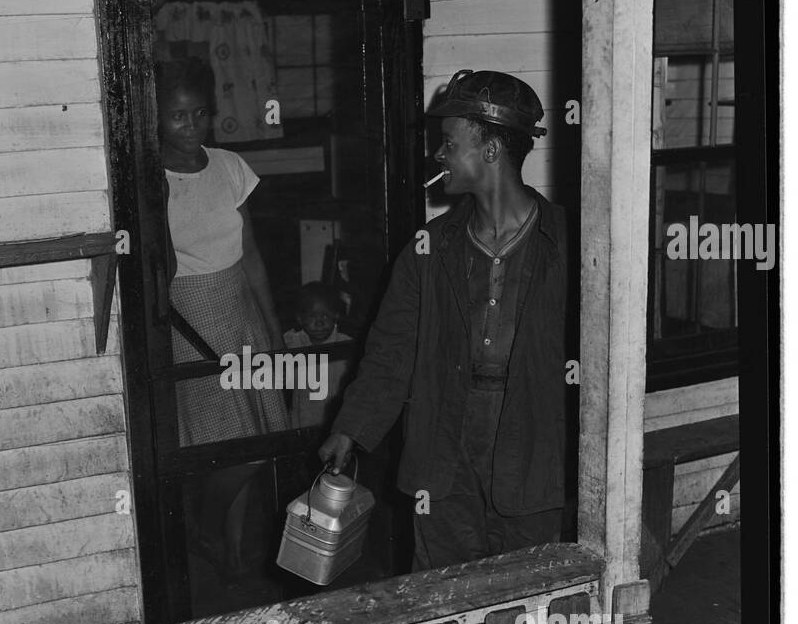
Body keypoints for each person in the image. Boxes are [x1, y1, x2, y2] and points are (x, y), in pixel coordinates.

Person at [319, 70, 569, 570]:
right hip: (444, 442)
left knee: (530, 586)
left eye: (450, 144)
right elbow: (392, 349)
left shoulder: (568, 241)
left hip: (533, 444)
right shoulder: (428, 248)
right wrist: (350, 429)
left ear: (491, 150)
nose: (438, 154)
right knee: (444, 586)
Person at [157, 57, 285, 577]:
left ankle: (229, 552)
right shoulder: (151, 179)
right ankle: (204, 526)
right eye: (177, 116)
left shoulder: (230, 166)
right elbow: (157, 268)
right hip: (190, 321)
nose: (191, 126)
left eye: (200, 114)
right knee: (232, 447)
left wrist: (273, 330)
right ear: (157, 119)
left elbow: (251, 253)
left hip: (240, 312)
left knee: (256, 441)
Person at [283, 282, 353, 430]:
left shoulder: (345, 345)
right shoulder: (293, 343)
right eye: (312, 316)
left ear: (335, 315)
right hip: (302, 420)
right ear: (300, 318)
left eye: (325, 315)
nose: (319, 322)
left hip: (335, 423)